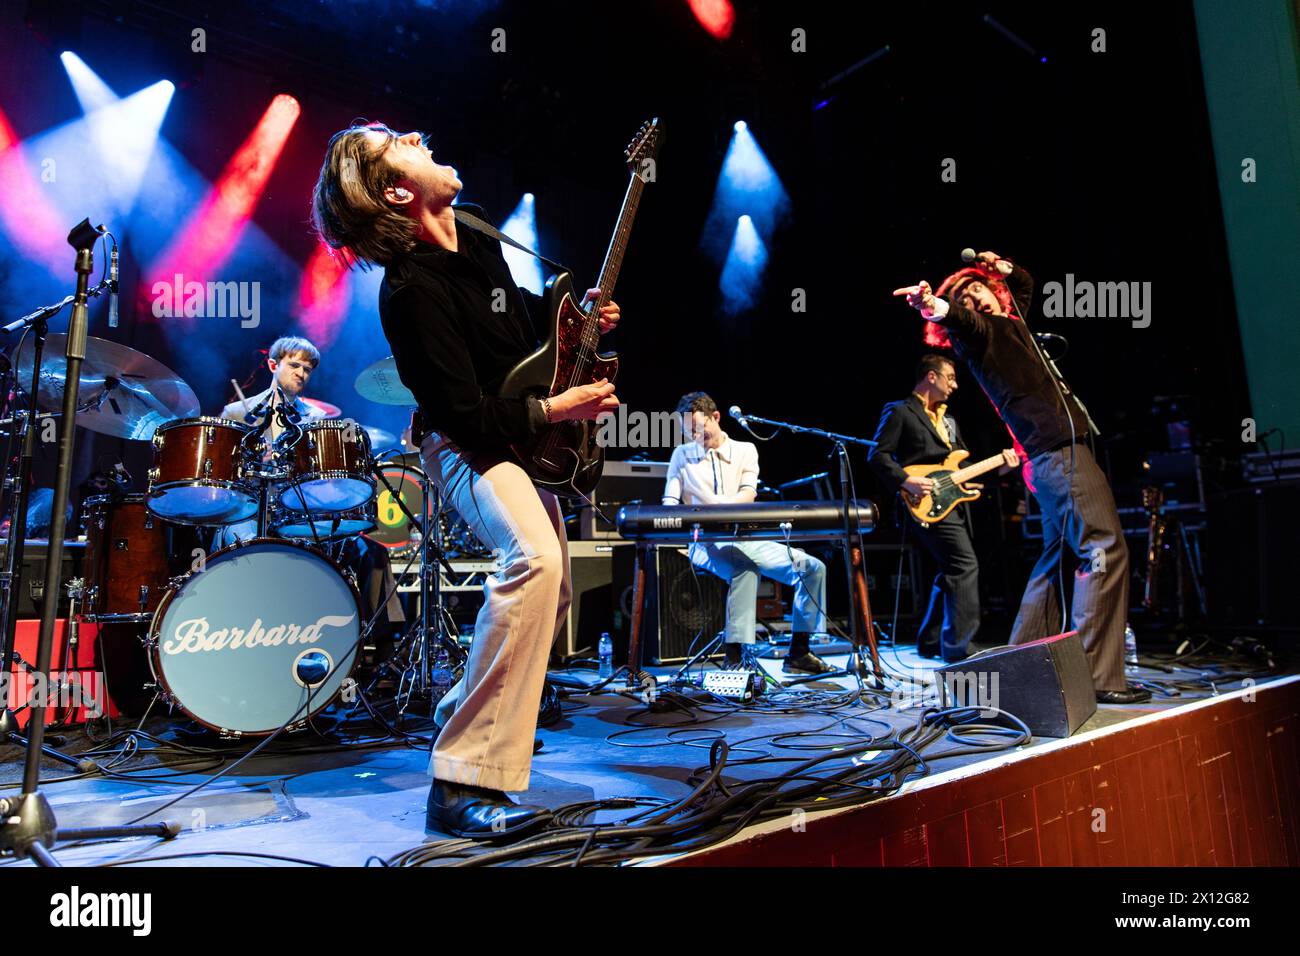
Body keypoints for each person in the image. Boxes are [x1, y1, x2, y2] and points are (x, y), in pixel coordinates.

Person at [311, 121, 623, 838]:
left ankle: (459, 710)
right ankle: (458, 784)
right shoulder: (409, 290)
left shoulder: (478, 236)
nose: (418, 134)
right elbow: (468, 415)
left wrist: (577, 321)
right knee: (537, 562)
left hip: (513, 430)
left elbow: (520, 338)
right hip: (464, 445)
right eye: (398, 141)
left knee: (560, 586)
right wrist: (557, 405)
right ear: (395, 190)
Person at [893, 251, 1150, 704]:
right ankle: (1098, 679)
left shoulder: (1013, 328)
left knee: (1054, 560)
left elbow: (1023, 287)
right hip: (1056, 453)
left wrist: (1003, 270)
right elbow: (961, 321)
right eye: (964, 296)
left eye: (978, 287)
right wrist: (933, 304)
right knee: (1103, 548)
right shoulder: (981, 337)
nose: (974, 297)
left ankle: (1022, 669)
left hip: (1047, 457)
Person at [662, 392, 833, 675]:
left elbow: (748, 495)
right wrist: (674, 533)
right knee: (745, 568)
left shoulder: (745, 450)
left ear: (716, 418)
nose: (694, 436)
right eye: (687, 432)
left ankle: (800, 652)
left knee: (812, 567)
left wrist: (710, 507)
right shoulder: (681, 455)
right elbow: (670, 502)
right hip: (706, 542)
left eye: (698, 428)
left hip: (747, 539)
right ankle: (735, 655)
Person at [869, 354, 1001, 663]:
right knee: (964, 565)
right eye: (950, 378)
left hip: (951, 503)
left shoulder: (949, 420)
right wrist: (906, 481)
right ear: (931, 377)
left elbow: (961, 463)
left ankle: (930, 641)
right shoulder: (900, 411)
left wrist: (1001, 467)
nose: (955, 385)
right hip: (922, 501)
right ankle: (959, 647)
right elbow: (878, 456)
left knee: (950, 568)